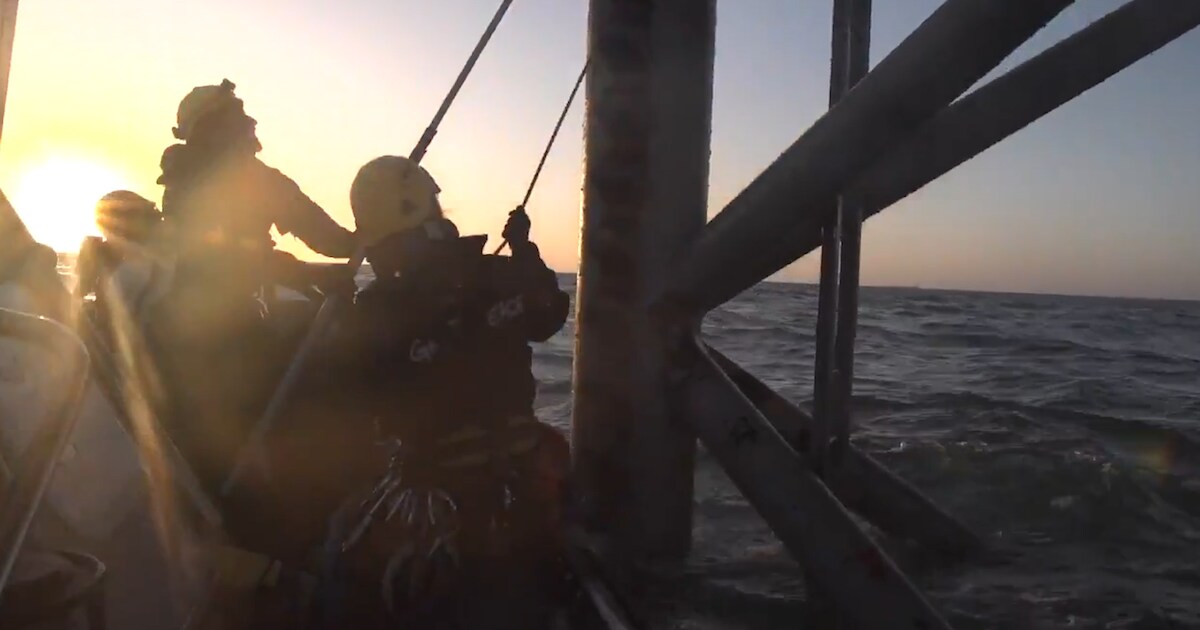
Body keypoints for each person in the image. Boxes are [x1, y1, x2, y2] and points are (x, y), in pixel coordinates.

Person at [312, 155, 573, 629]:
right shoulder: (496, 275)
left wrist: (337, 318)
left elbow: (349, 397)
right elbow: (548, 313)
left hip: (438, 496)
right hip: (516, 483)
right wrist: (524, 251)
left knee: (338, 546)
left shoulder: (376, 307)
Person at [150, 79, 357, 494]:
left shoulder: (179, 177)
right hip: (227, 335)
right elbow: (327, 241)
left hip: (171, 327)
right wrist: (363, 239)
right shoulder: (253, 179)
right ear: (217, 124)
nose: (251, 122)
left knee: (199, 441)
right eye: (240, 114)